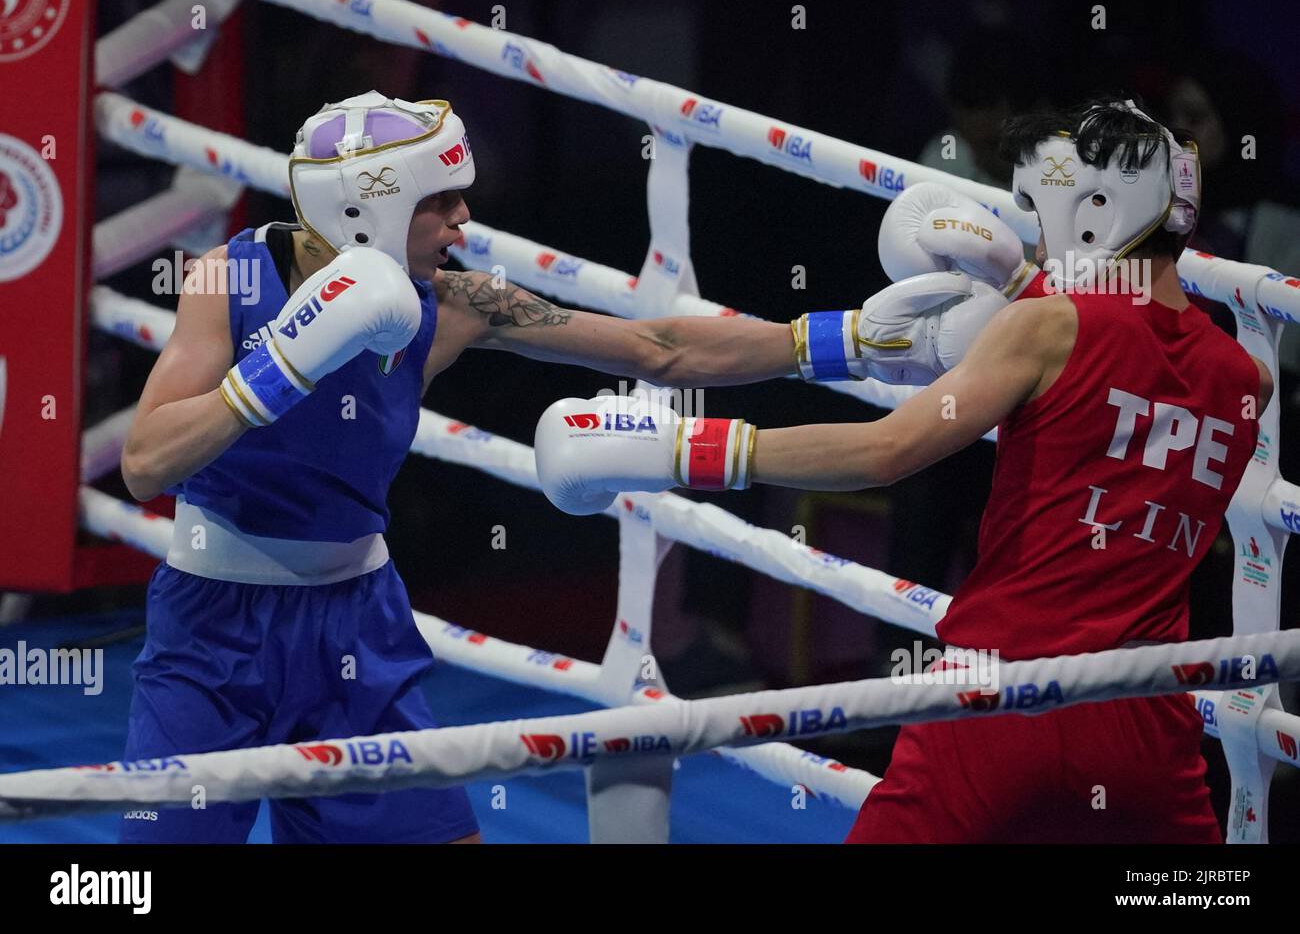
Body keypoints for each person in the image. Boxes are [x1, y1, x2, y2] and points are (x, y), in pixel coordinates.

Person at [118, 90, 998, 842]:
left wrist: (842, 342)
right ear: (368, 208)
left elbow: (658, 346)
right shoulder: (225, 284)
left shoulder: (457, 301)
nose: (465, 221)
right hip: (214, 631)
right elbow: (145, 463)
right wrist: (278, 368)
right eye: (442, 202)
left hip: (357, 625)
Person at [533, 97, 1274, 842]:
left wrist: (681, 450)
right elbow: (1124, 395)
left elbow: (885, 450)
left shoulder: (1048, 325)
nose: (1042, 246)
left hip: (998, 696)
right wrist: (1018, 291)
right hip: (1144, 718)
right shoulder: (1246, 378)